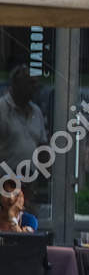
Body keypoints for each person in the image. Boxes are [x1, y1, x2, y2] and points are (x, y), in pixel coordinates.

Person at [0, 65, 47, 194]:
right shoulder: (2, 109)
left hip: (29, 185)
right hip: (5, 185)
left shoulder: (36, 112)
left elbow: (42, 146)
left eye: (36, 83)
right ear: (16, 84)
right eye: (30, 83)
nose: (34, 87)